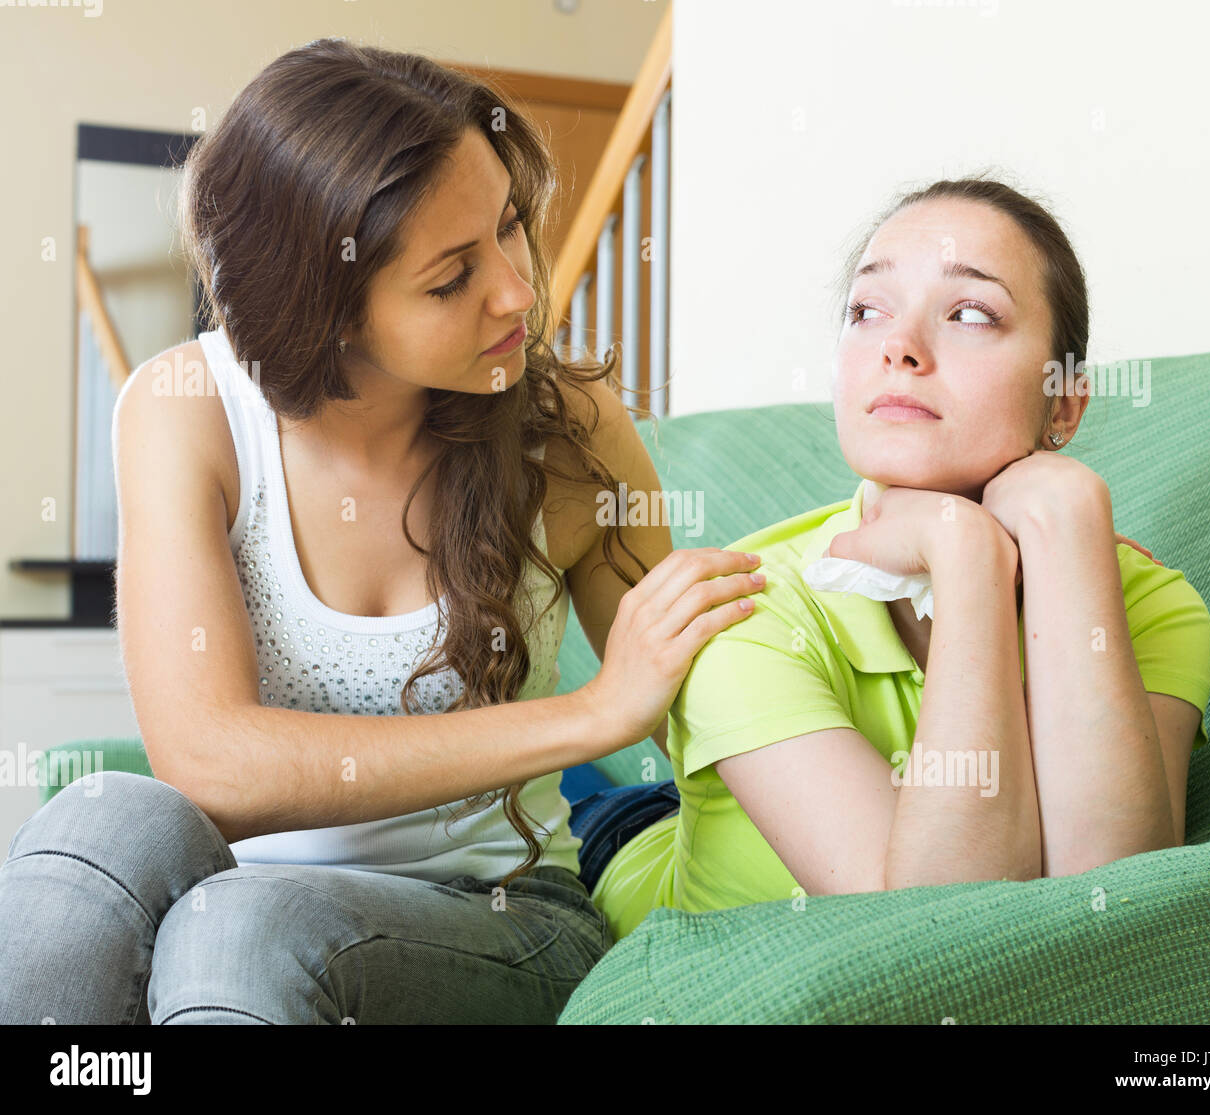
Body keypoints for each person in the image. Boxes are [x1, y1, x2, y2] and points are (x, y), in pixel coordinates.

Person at [0, 39, 766, 1025]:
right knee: (101, 819)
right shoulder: (189, 406)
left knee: (239, 926)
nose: (518, 293)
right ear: (325, 309)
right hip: (227, 895)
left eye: (509, 227)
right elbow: (208, 763)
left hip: (497, 916)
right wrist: (589, 713)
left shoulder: (568, 429)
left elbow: (713, 703)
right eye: (452, 279)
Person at [590, 177, 1210, 944]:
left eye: (970, 314)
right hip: (616, 849)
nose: (899, 346)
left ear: (1064, 404)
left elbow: (1115, 903)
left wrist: (1066, 523)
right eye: (866, 310)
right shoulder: (740, 606)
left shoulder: (1147, 603)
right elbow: (930, 929)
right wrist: (968, 552)